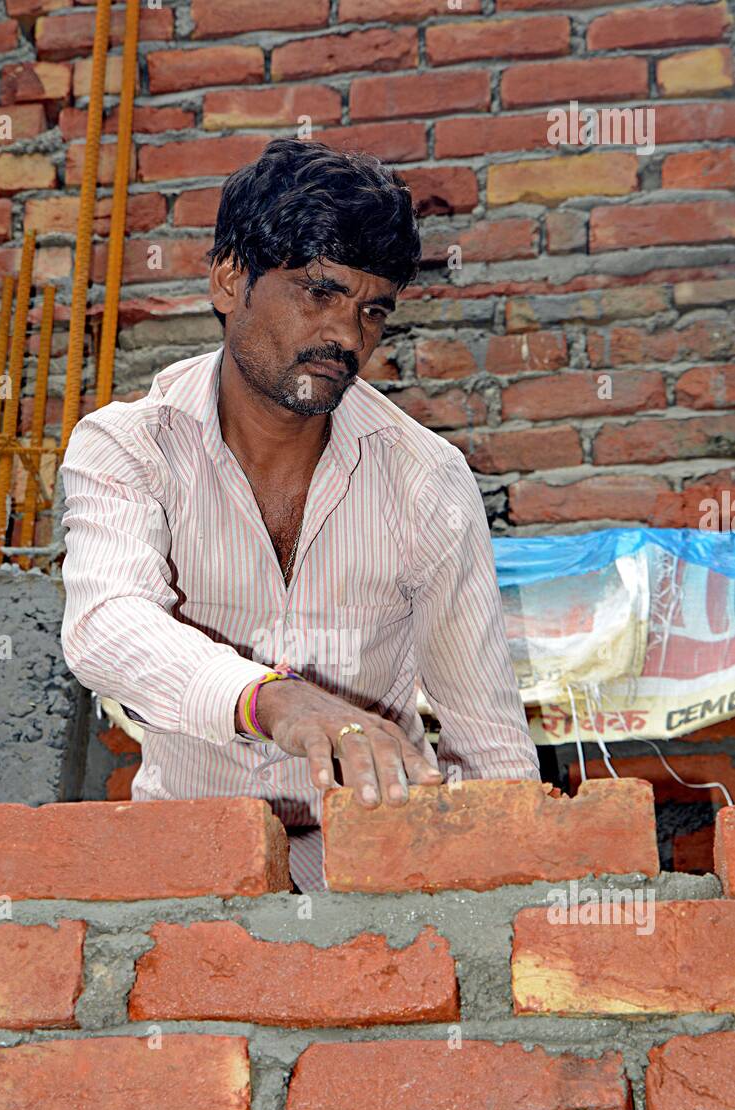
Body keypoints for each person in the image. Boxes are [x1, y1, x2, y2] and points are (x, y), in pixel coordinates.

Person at [60, 137, 541, 891]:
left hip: (375, 877)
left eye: (371, 310)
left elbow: (486, 739)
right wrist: (272, 698)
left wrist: (513, 905)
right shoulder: (129, 447)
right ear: (228, 280)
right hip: (193, 872)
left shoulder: (425, 479)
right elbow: (107, 625)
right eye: (318, 292)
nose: (347, 338)